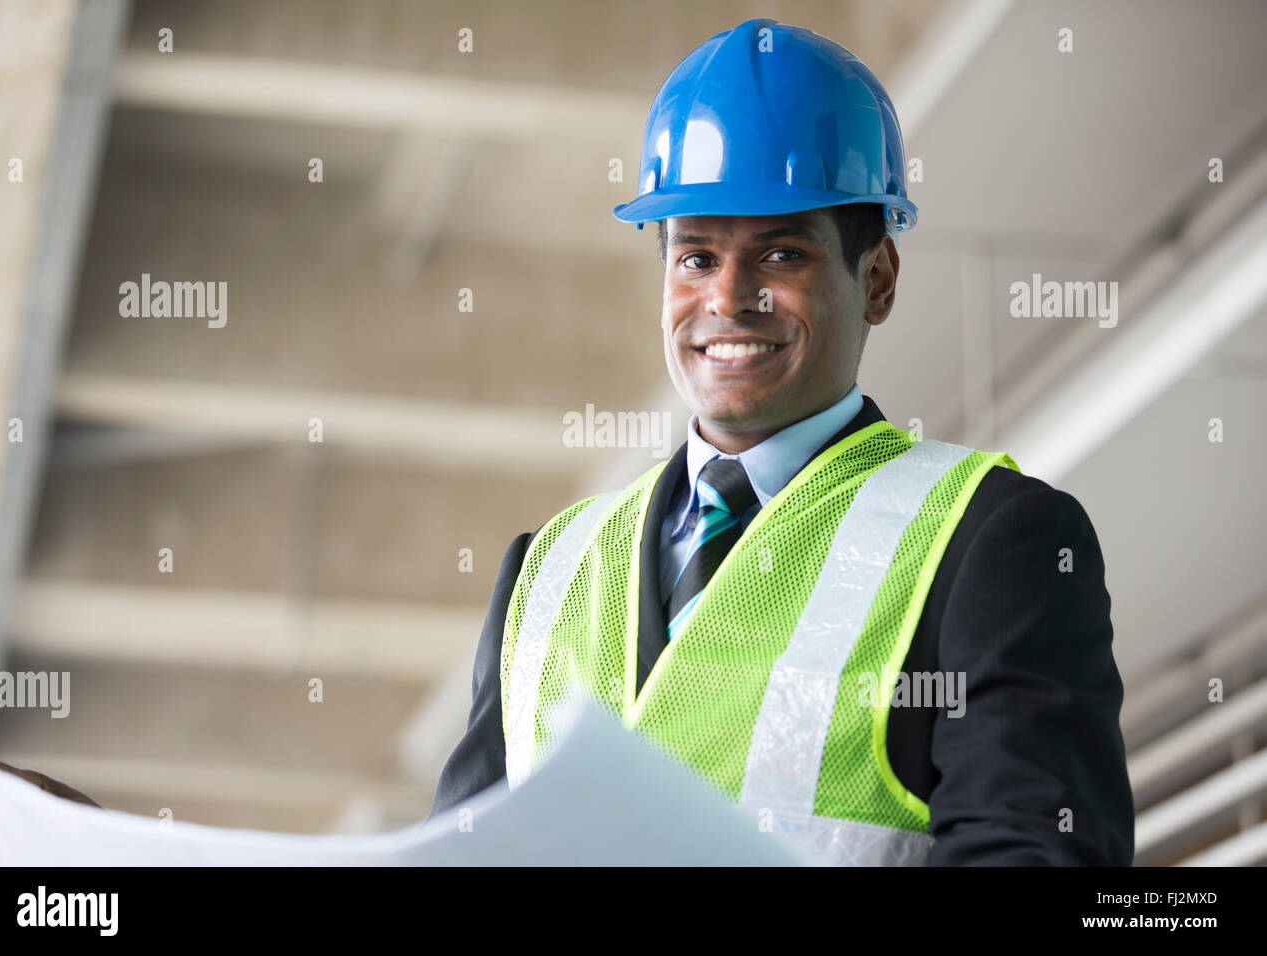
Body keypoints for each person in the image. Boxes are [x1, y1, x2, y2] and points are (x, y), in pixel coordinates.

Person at [429, 18, 1134, 865]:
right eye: (694, 258)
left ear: (875, 280)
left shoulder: (990, 543)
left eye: (779, 254)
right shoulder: (544, 574)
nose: (729, 298)